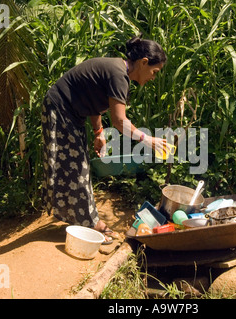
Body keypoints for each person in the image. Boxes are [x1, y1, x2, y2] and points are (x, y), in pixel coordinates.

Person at [41, 36, 168, 244]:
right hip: (60, 108)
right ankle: (91, 224)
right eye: (154, 72)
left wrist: (98, 131)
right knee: (77, 167)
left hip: (69, 112)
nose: (154, 77)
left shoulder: (118, 71)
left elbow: (94, 99)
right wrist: (147, 139)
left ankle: (79, 218)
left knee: (77, 165)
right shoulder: (119, 75)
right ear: (144, 63)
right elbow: (119, 121)